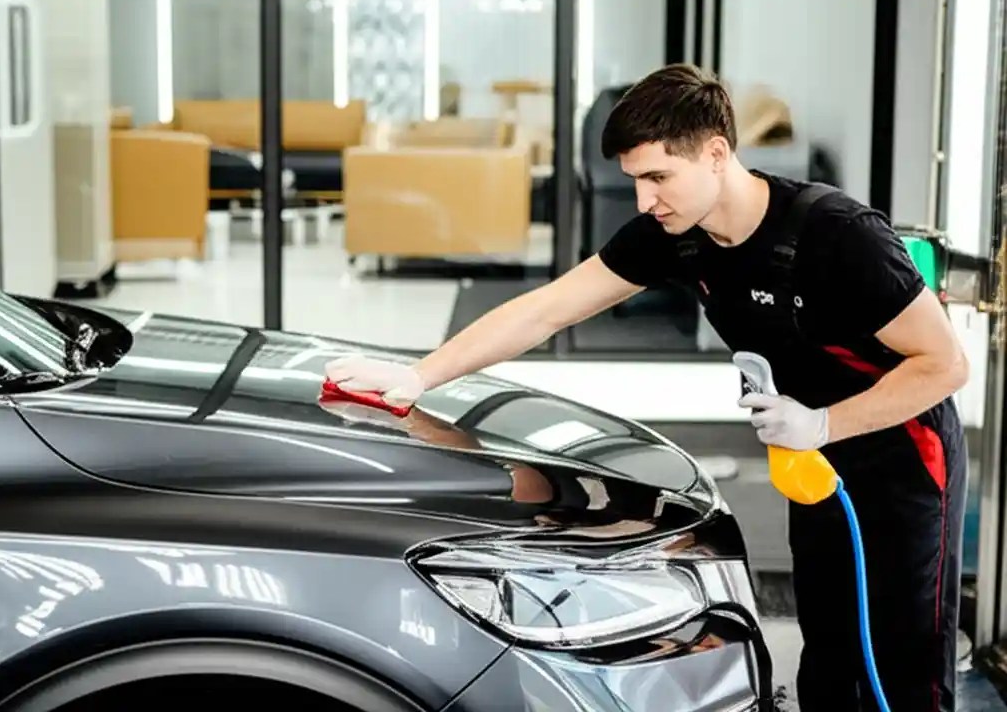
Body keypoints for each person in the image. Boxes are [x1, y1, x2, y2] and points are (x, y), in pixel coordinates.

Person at [326, 63, 969, 711]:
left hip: (904, 459)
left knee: (903, 654)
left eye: (658, 177)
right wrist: (416, 375)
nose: (644, 200)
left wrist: (825, 422)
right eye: (635, 181)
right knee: (828, 648)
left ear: (716, 154)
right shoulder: (677, 236)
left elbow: (944, 365)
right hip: (812, 457)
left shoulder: (840, 236)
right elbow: (546, 310)